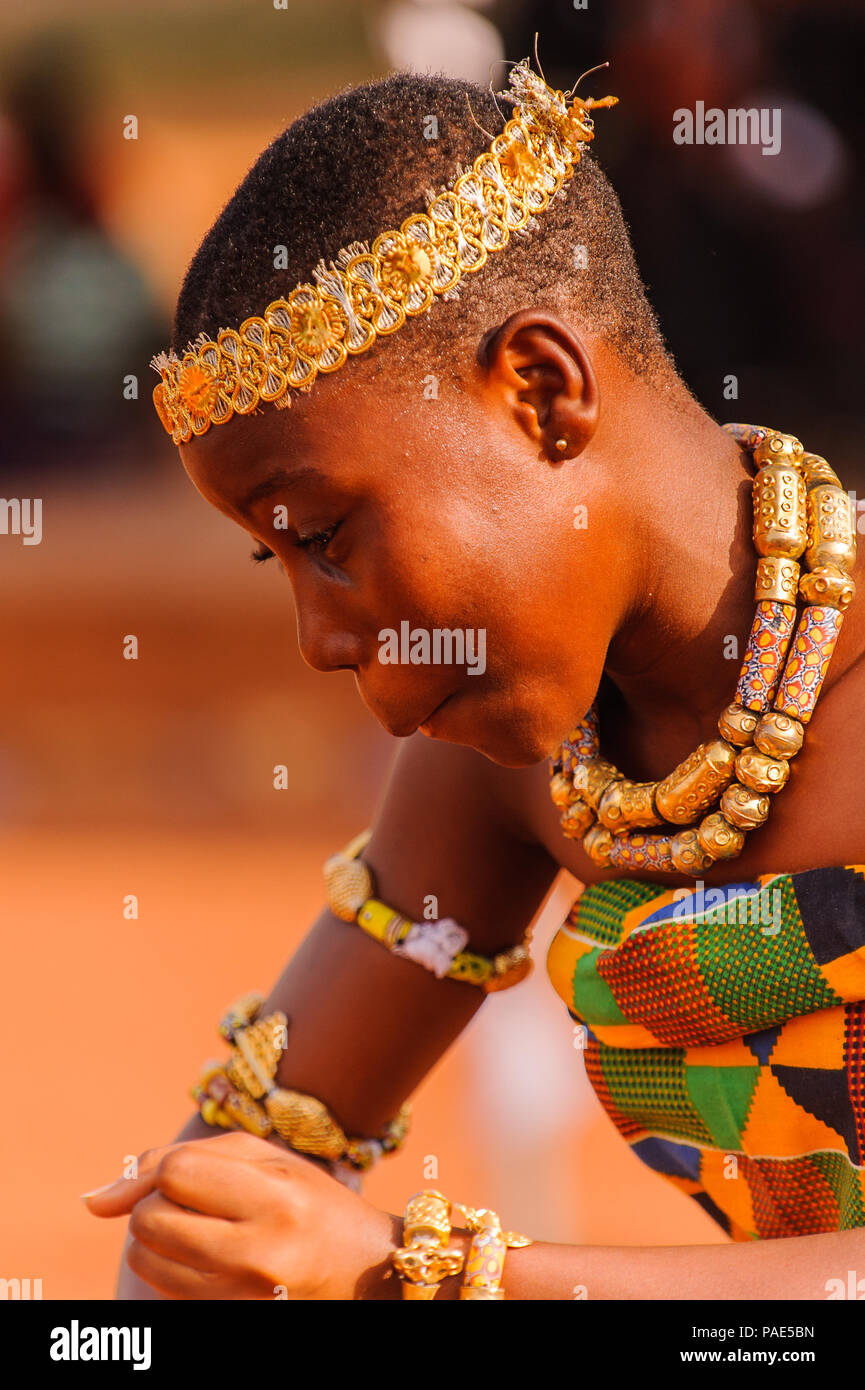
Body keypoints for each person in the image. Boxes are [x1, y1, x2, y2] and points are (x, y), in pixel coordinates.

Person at [83, 59, 865, 1300]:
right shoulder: (517, 765)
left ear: (543, 392)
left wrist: (423, 1275)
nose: (316, 639)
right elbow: (238, 1190)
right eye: (272, 556)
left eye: (326, 537)